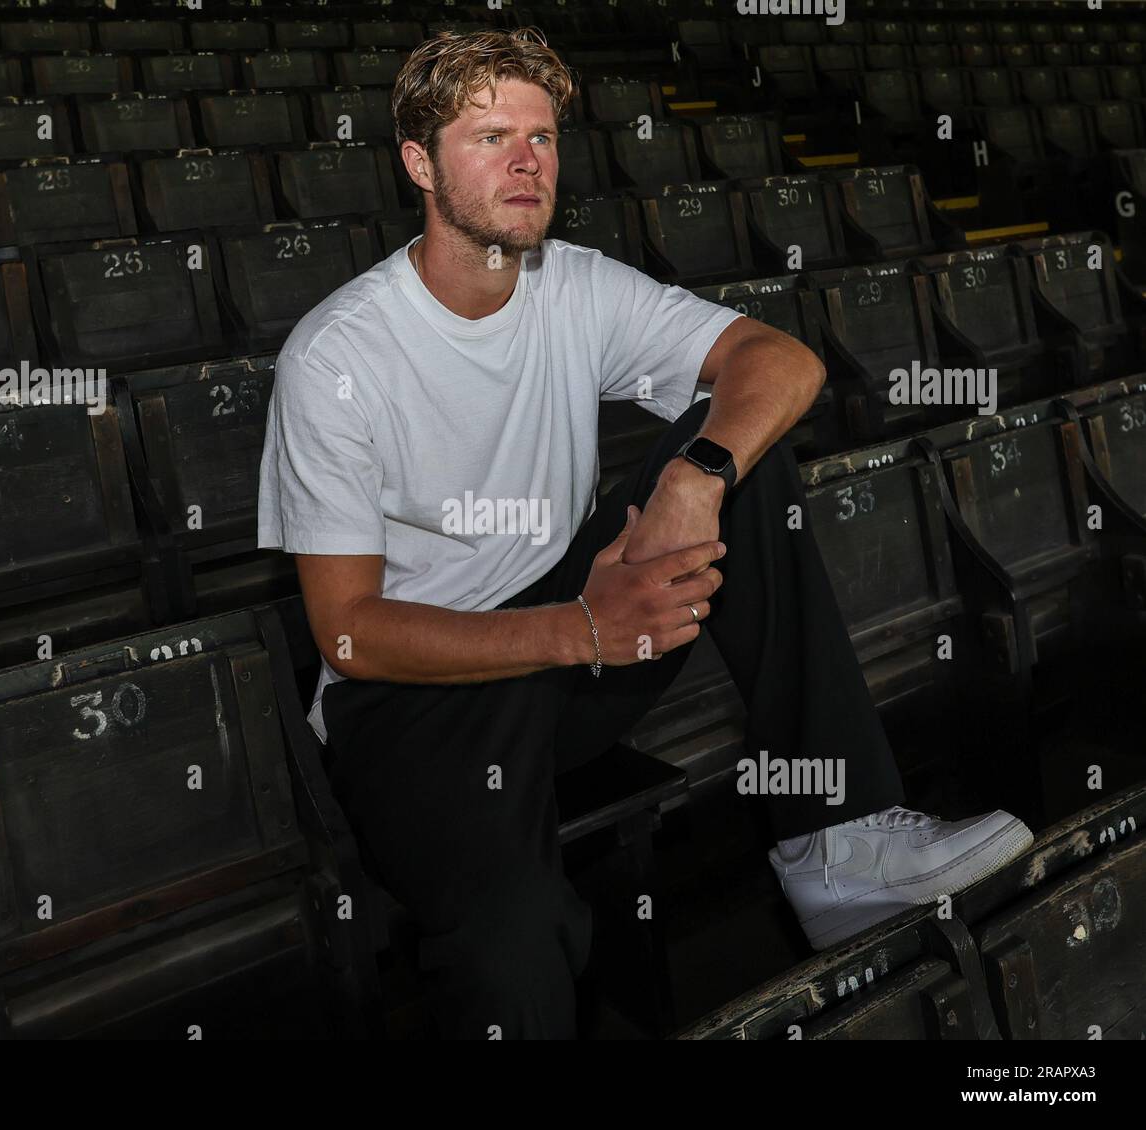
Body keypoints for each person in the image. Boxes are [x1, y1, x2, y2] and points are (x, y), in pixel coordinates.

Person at [257, 27, 1033, 1039]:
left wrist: (693, 474)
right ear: (418, 163)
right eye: (491, 138)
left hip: (574, 639)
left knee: (739, 453)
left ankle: (837, 841)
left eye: (541, 137)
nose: (527, 162)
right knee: (515, 948)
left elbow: (783, 362)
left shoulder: (574, 283)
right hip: (417, 696)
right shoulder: (334, 356)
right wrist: (580, 628)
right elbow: (349, 632)